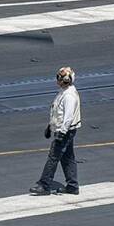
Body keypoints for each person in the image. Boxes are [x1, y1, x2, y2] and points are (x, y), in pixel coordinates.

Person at [30, 67, 81, 195]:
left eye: (60, 78)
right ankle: (72, 186)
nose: (58, 80)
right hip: (64, 130)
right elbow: (57, 113)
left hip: (65, 131)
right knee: (67, 157)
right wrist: (50, 127)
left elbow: (68, 117)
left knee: (53, 157)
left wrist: (61, 132)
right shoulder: (64, 91)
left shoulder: (68, 96)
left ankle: (44, 185)